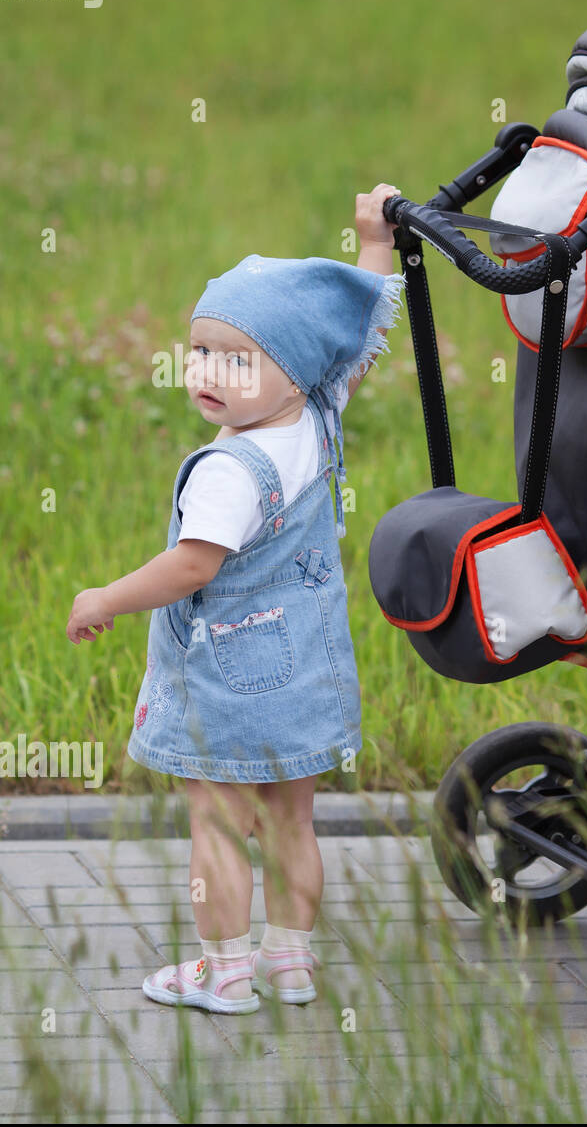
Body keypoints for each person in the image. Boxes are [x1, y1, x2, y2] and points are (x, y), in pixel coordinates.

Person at [65, 184, 404, 1013]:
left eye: (236, 358)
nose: (209, 372)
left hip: (229, 675)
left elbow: (190, 567)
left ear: (291, 368)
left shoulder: (227, 470)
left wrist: (105, 595)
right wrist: (375, 245)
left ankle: (226, 972)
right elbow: (352, 341)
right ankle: (289, 962)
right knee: (292, 821)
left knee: (218, 826)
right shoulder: (317, 414)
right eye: (200, 350)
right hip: (308, 667)